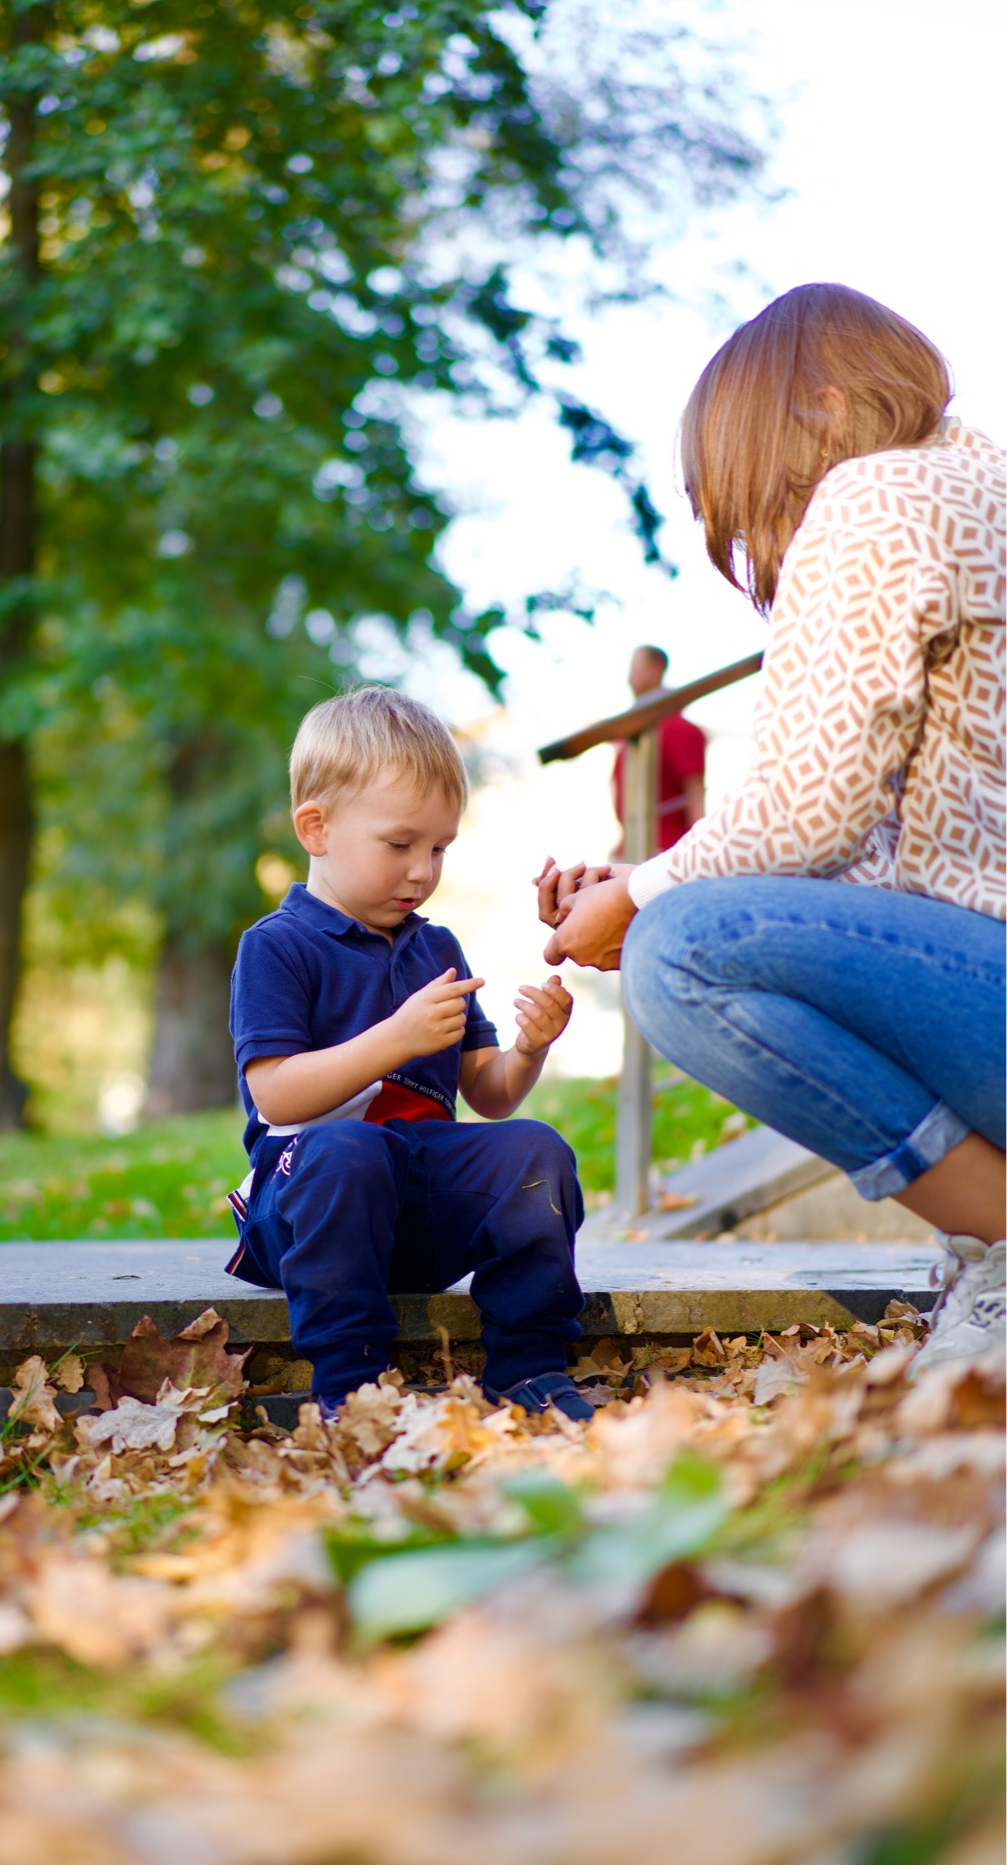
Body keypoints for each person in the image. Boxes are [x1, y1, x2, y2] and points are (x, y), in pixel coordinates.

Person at [536, 284, 1005, 1372]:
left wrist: (641, 897)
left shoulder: (875, 497)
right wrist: (650, 871)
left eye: (753, 492)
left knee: (679, 954)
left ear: (819, 414)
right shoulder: (972, 481)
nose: (759, 533)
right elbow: (881, 846)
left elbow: (806, 811)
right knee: (686, 917)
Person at [226, 685, 591, 1419]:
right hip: (308, 1207)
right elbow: (276, 1095)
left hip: (421, 1203)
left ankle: (528, 1366)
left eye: (439, 848)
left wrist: (529, 1047)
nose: (423, 870)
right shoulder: (277, 945)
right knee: (349, 1153)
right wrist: (393, 1037)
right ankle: (350, 1390)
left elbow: (486, 1092)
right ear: (316, 826)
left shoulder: (436, 947)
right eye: (401, 845)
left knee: (537, 1152)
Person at [612, 644, 706, 853]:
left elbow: (695, 796)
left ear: (655, 669)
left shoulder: (680, 730)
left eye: (635, 669)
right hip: (633, 848)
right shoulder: (632, 732)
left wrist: (698, 851)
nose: (629, 678)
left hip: (664, 851)